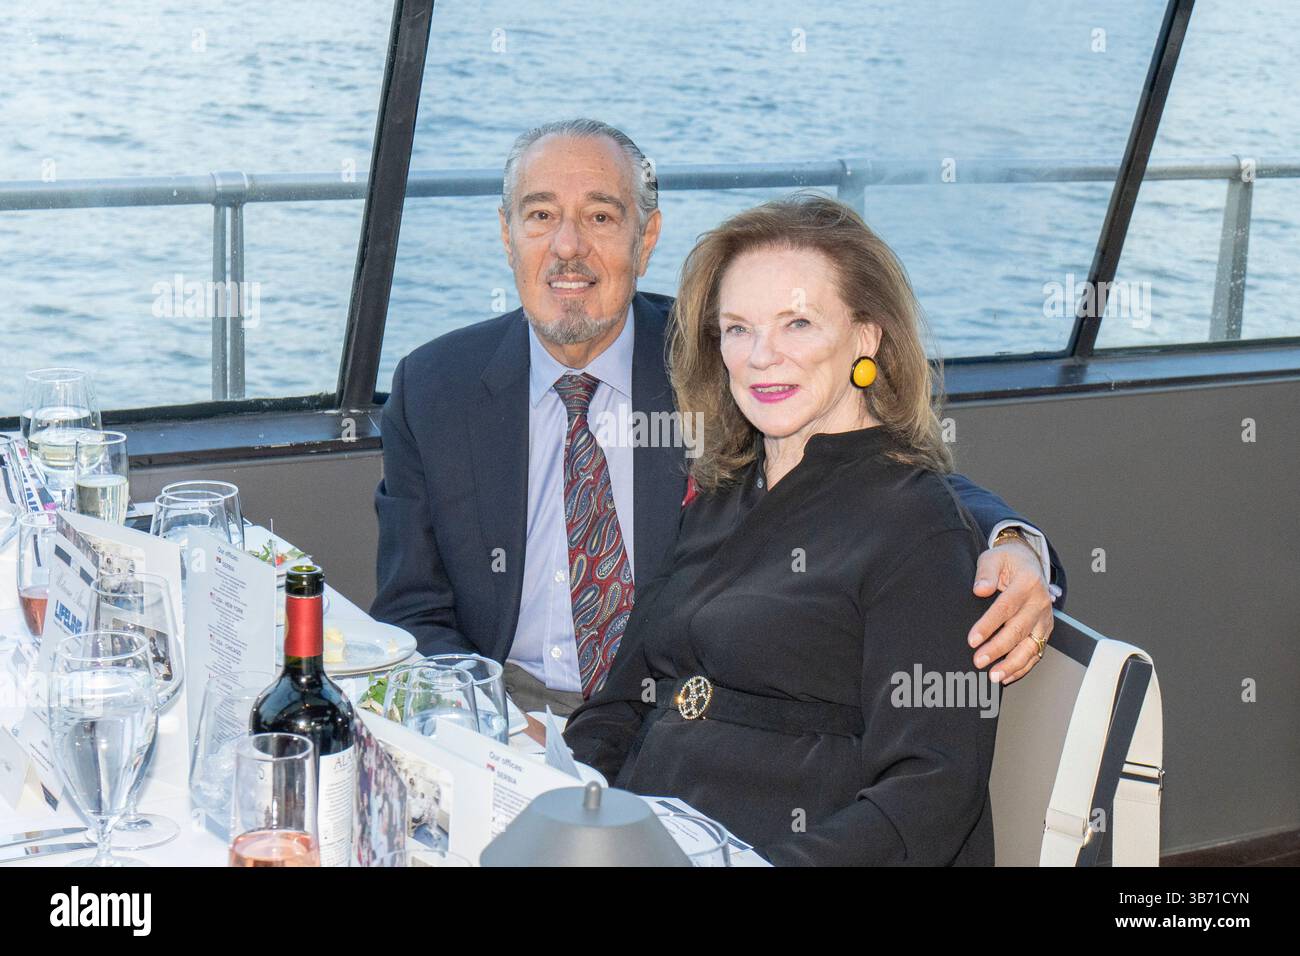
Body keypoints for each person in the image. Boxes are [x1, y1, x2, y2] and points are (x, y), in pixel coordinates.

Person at [372, 119, 1064, 717]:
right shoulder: (435, 388)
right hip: (501, 711)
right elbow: (412, 611)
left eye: (602, 217)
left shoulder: (722, 360)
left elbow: (876, 468)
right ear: (507, 234)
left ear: (647, 241)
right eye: (541, 215)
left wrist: (1014, 540)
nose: (568, 248)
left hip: (673, 716)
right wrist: (483, 719)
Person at [565, 193, 999, 865]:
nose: (760, 356)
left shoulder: (915, 526)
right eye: (737, 328)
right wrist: (565, 800)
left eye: (796, 323)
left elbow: (933, 791)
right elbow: (622, 700)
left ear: (865, 337)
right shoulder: (722, 492)